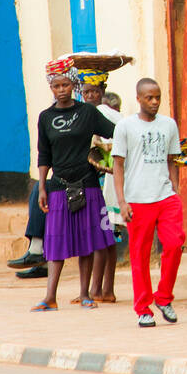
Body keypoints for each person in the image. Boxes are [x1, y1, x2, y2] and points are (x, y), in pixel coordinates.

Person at [30, 61, 116, 312]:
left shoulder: (88, 113)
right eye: (56, 86)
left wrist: (107, 155)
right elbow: (43, 154)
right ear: (51, 88)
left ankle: (85, 294)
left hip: (88, 183)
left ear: (74, 85)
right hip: (58, 185)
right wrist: (43, 187)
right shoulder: (45, 117)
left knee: (86, 240)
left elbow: (114, 131)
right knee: (55, 241)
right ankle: (50, 297)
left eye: (66, 84)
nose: (61, 90)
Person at [112, 78, 184, 327]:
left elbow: (172, 160)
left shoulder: (169, 125)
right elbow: (118, 165)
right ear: (139, 98)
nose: (154, 102)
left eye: (158, 97)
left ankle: (163, 297)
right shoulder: (125, 127)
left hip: (165, 197)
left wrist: (175, 191)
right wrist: (122, 201)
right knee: (140, 256)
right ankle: (143, 308)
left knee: (175, 244)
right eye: (149, 98)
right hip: (137, 200)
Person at [80, 70, 122, 303]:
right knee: (106, 237)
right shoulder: (86, 113)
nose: (90, 96)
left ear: (102, 93)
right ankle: (104, 289)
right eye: (86, 92)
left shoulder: (108, 115)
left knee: (104, 237)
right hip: (99, 181)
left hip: (105, 183)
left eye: (94, 92)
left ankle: (101, 289)